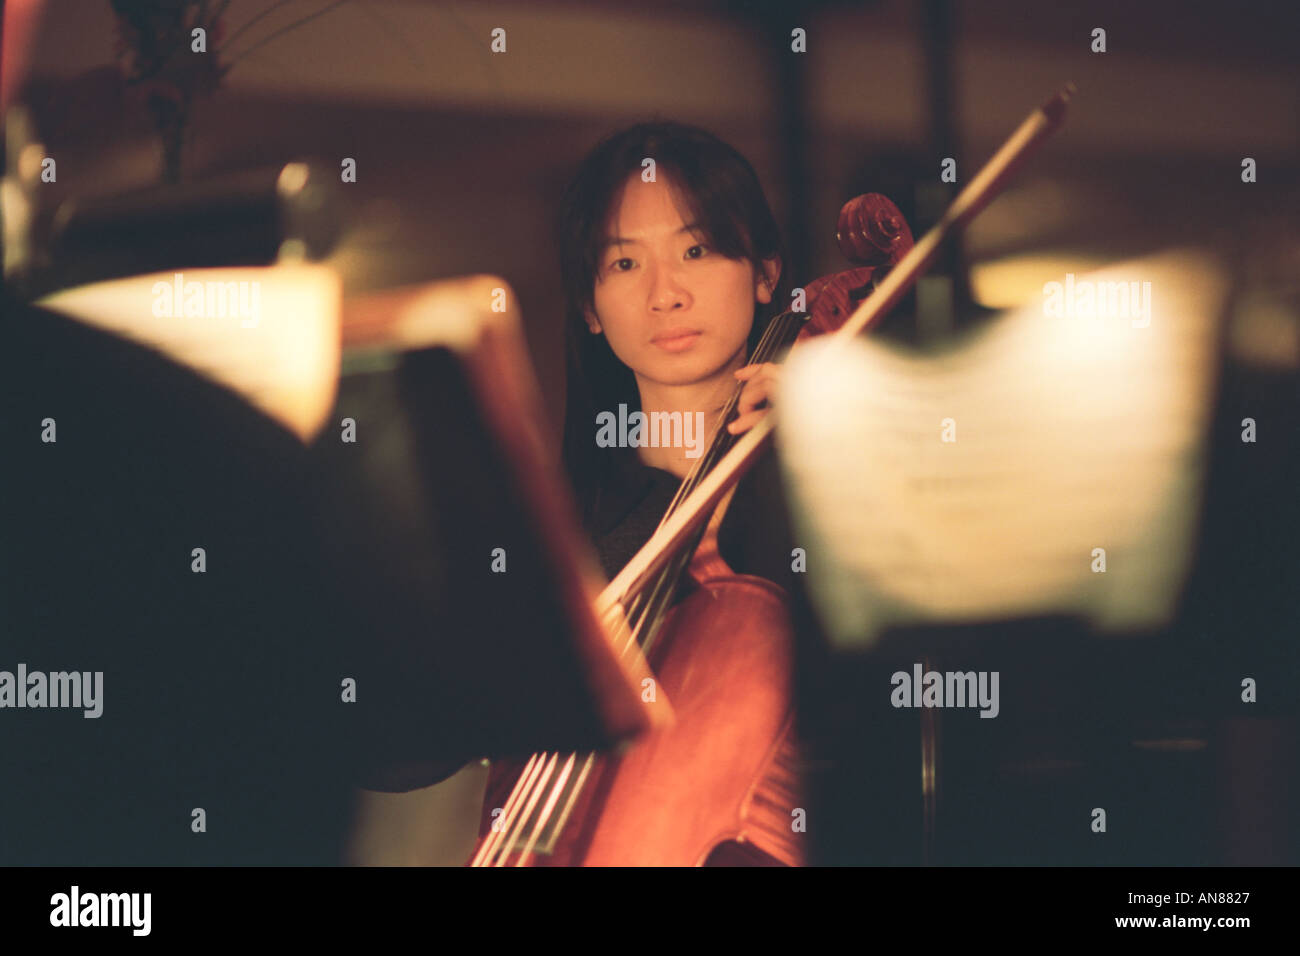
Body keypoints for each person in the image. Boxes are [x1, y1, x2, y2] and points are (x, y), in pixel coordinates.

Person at [556, 121, 800, 586]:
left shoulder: (824, 470)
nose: (665, 294)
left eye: (696, 250)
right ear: (590, 309)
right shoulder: (568, 543)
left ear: (764, 275)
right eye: (625, 263)